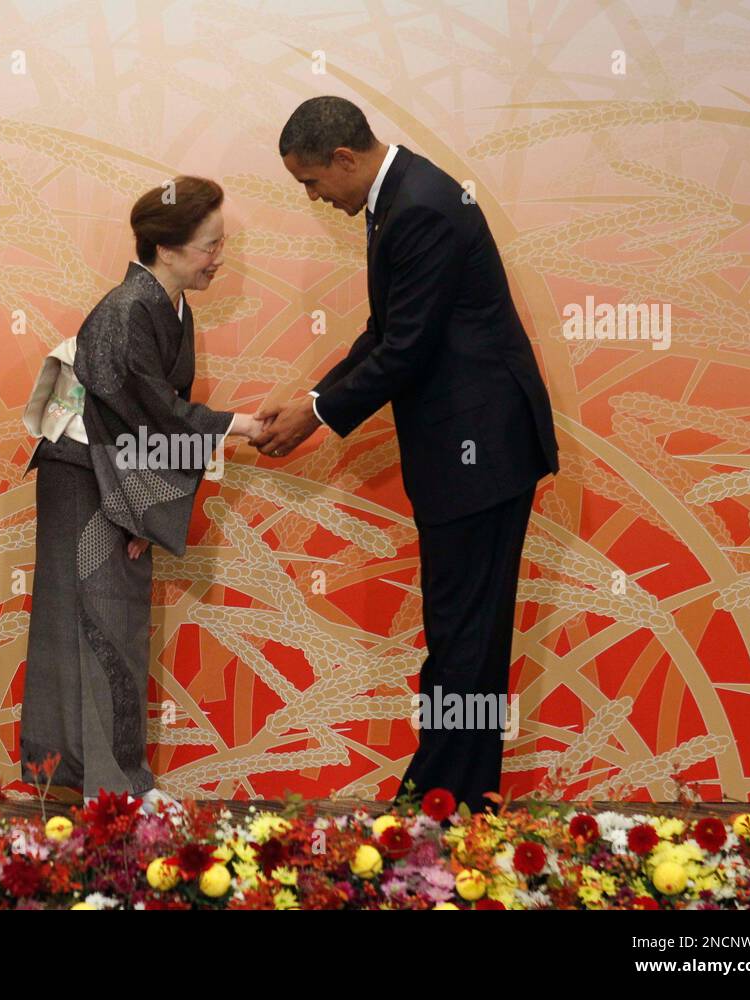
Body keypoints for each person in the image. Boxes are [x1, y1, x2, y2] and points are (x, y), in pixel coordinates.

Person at [254, 96, 559, 813]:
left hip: (480, 455)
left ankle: (435, 801)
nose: (314, 198)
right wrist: (314, 395)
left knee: (464, 635)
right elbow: (386, 329)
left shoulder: (418, 206)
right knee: (466, 634)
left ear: (344, 160)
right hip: (470, 453)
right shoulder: (397, 198)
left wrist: (317, 415)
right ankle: (460, 799)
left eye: (311, 183)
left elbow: (407, 348)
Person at [20, 177, 265, 812]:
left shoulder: (165, 305)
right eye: (209, 246)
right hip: (88, 474)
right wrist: (236, 425)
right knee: (102, 621)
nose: (218, 258)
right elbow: (144, 412)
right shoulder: (129, 308)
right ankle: (117, 789)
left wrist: (138, 503)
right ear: (167, 247)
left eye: (220, 244)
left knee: (105, 620)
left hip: (108, 470)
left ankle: (98, 777)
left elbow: (148, 416)